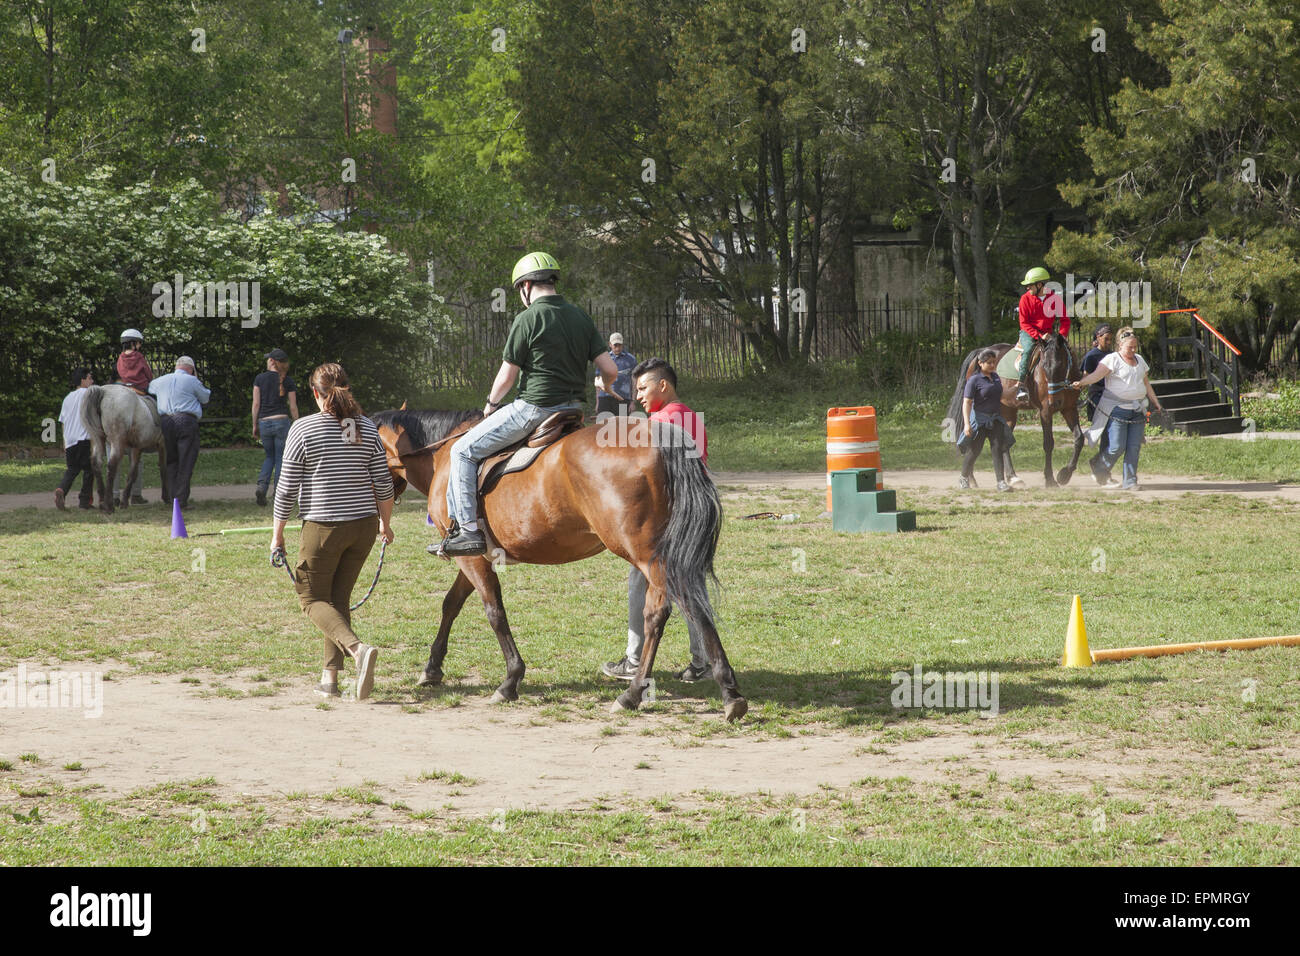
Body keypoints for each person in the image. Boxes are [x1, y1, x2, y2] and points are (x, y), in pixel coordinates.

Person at [434, 251, 620, 557]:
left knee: (462, 450)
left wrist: (491, 405)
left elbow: (507, 376)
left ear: (525, 287)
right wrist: (606, 386)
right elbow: (610, 371)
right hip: (573, 410)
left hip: (535, 409)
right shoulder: (580, 316)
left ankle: (467, 531)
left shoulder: (527, 318)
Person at [272, 363, 395, 700]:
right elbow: (384, 485)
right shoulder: (368, 429)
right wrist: (386, 524)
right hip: (364, 527)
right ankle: (330, 680)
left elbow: (285, 489)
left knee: (310, 599)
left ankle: (358, 651)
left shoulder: (303, 428)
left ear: (315, 393)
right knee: (337, 599)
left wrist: (277, 534)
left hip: (324, 527)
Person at [601, 357, 713, 682]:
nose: (638, 396)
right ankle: (700, 662)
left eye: (643, 388)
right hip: (690, 515)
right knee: (687, 588)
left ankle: (635, 661)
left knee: (646, 582)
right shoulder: (688, 415)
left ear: (662, 385)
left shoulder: (664, 421)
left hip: (669, 520)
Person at [1070, 327, 1165, 490]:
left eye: (1135, 346)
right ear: (1120, 345)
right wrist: (1082, 383)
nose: (1133, 350)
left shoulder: (1140, 360)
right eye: (1130, 347)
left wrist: (1155, 401)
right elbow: (1096, 375)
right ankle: (1099, 465)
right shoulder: (1112, 359)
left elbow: (1146, 383)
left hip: (1137, 410)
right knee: (1116, 446)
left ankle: (1130, 481)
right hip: (1117, 409)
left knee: (1134, 447)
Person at [149, 356, 211, 509]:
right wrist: (195, 379)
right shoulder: (192, 380)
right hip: (186, 420)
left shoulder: (160, 380)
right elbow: (205, 398)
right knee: (186, 460)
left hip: (166, 421)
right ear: (191, 369)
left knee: (171, 460)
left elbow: (150, 388)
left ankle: (172, 498)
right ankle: (181, 500)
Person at [956, 349, 1014, 492]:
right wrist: (967, 425)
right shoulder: (974, 380)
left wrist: (1016, 389)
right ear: (980, 363)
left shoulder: (995, 377)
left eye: (994, 362)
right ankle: (964, 478)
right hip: (980, 420)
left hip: (995, 419)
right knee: (975, 451)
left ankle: (1000, 482)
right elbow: (967, 402)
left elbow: (1002, 394)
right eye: (989, 363)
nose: (992, 365)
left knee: (998, 449)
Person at [252, 347, 299, 506]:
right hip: (281, 422)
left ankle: (261, 487)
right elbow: (293, 406)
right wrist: (297, 424)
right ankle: (278, 493)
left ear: (271, 361)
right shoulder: (288, 381)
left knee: (269, 456)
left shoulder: (259, 378)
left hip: (264, 422)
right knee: (280, 458)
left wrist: (254, 424)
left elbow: (256, 403)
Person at [1014, 267, 1070, 403]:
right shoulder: (1024, 299)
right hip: (1029, 333)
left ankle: (1070, 384)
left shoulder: (1054, 299)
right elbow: (1024, 323)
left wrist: (1062, 336)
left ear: (1040, 285)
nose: (1027, 288)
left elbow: (1065, 320)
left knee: (1066, 351)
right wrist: (1039, 335)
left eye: (1030, 285)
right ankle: (1021, 385)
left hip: (1049, 334)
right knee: (1027, 351)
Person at [54, 367, 95, 511]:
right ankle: (85, 502)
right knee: (90, 470)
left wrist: (65, 442)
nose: (92, 381)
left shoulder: (67, 398)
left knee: (72, 470)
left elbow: (63, 421)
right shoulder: (89, 394)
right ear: (82, 380)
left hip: (70, 440)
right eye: (90, 378)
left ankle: (61, 490)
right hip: (84, 439)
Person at [1079, 324, 1114, 483]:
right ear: (1098, 338)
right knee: (1107, 436)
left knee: (1112, 438)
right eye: (1105, 339)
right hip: (1098, 399)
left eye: (1110, 339)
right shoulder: (1091, 356)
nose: (1108, 342)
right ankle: (1102, 472)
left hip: (1113, 398)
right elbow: (1086, 378)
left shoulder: (1114, 355)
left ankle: (1098, 465)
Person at [594, 332, 637, 416]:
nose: (617, 348)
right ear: (610, 344)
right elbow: (598, 383)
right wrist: (598, 402)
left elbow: (634, 381)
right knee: (604, 427)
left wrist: (633, 402)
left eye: (619, 345)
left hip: (623, 399)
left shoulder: (631, 359)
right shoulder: (603, 359)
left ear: (623, 344)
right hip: (604, 398)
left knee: (622, 427)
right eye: (615, 345)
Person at [116, 329, 155, 397]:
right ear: (132, 343)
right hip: (142, 387)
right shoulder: (138, 356)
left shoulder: (120, 357)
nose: (140, 345)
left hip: (126, 386)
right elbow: (148, 373)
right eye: (139, 343)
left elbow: (120, 371)